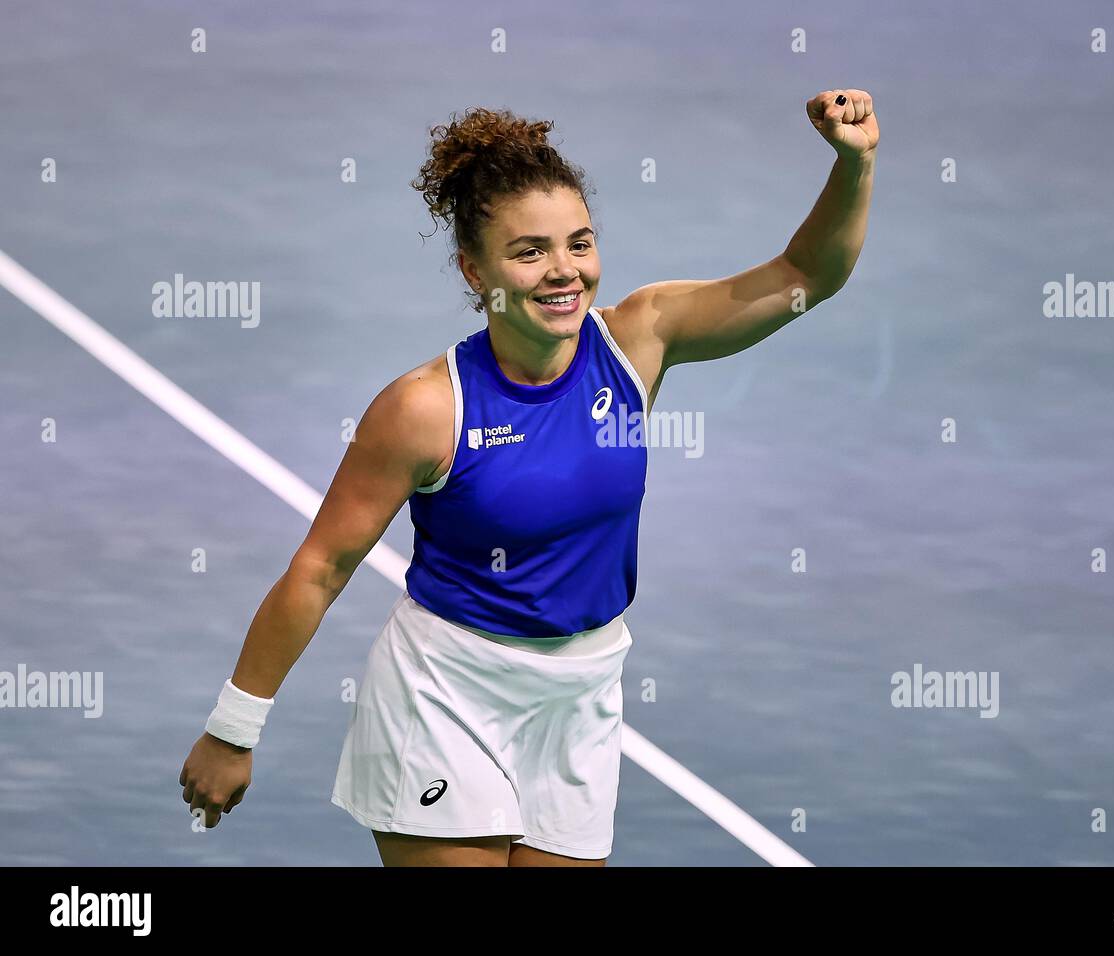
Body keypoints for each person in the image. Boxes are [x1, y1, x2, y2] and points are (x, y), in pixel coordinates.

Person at [179, 90, 878, 867]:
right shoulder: (425, 409)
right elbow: (321, 567)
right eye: (530, 251)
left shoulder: (638, 342)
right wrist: (232, 730)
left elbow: (805, 275)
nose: (564, 272)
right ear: (474, 269)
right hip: (447, 696)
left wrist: (855, 164)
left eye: (580, 244)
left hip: (583, 696)